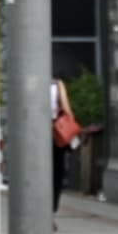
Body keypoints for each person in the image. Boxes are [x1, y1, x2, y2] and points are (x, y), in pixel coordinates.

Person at [51, 75, 77, 221]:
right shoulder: (57, 84)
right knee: (56, 174)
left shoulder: (31, 84)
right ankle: (51, 212)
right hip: (56, 136)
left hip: (36, 137)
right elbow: (67, 110)